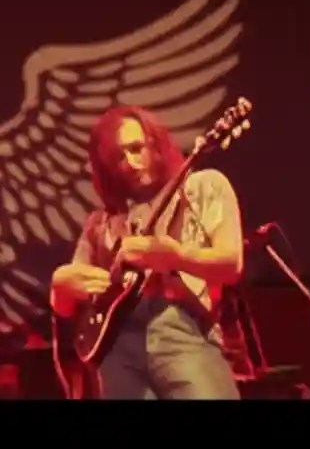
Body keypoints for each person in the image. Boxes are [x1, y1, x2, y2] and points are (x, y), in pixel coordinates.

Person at [49, 105, 244, 399]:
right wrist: (60, 286)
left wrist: (173, 257)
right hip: (115, 350)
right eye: (118, 157)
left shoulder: (203, 186)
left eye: (136, 148)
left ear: (156, 144)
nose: (130, 162)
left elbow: (231, 265)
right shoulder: (99, 223)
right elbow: (68, 306)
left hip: (184, 332)